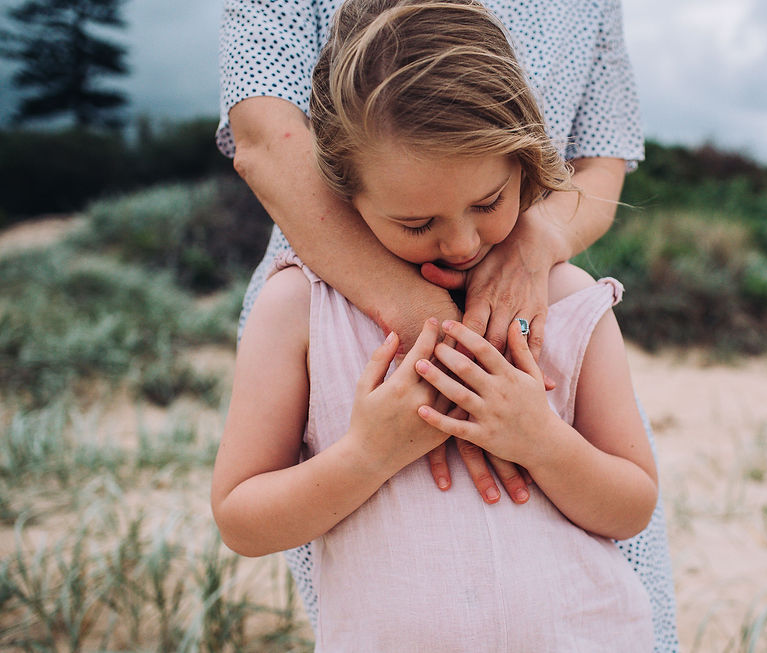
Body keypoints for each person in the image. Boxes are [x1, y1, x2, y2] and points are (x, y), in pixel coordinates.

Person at [218, 0, 679, 649]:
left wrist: (534, 249)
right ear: (348, 185)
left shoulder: (572, 304)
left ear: (524, 165)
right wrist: (414, 337)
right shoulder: (300, 315)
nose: (461, 244)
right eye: (417, 222)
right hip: (342, 281)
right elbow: (266, 134)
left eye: (487, 203)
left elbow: (601, 156)